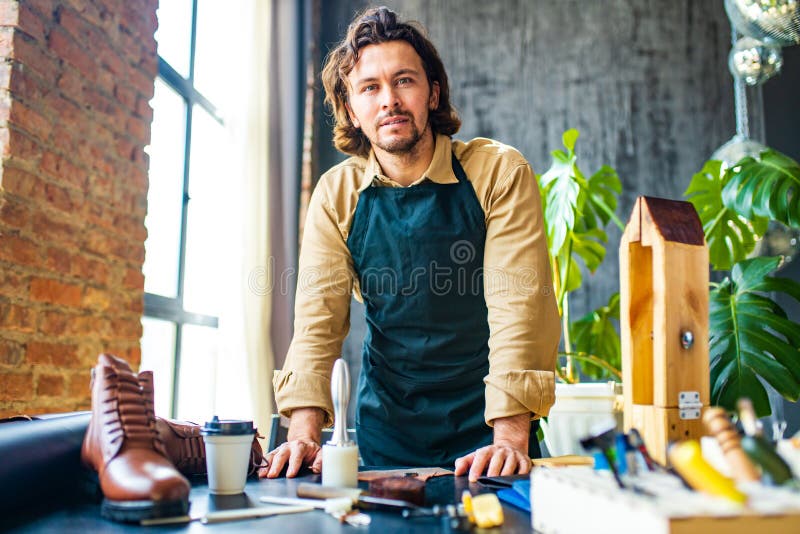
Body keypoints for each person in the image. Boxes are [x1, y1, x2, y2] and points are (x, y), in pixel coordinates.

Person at [264, 6, 559, 482]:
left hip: (491, 436)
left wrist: (508, 438)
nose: (389, 101)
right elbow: (318, 317)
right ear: (352, 110)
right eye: (370, 88)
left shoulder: (498, 172)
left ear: (432, 93)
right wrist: (302, 433)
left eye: (404, 81)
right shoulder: (337, 194)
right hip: (387, 436)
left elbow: (518, 305)